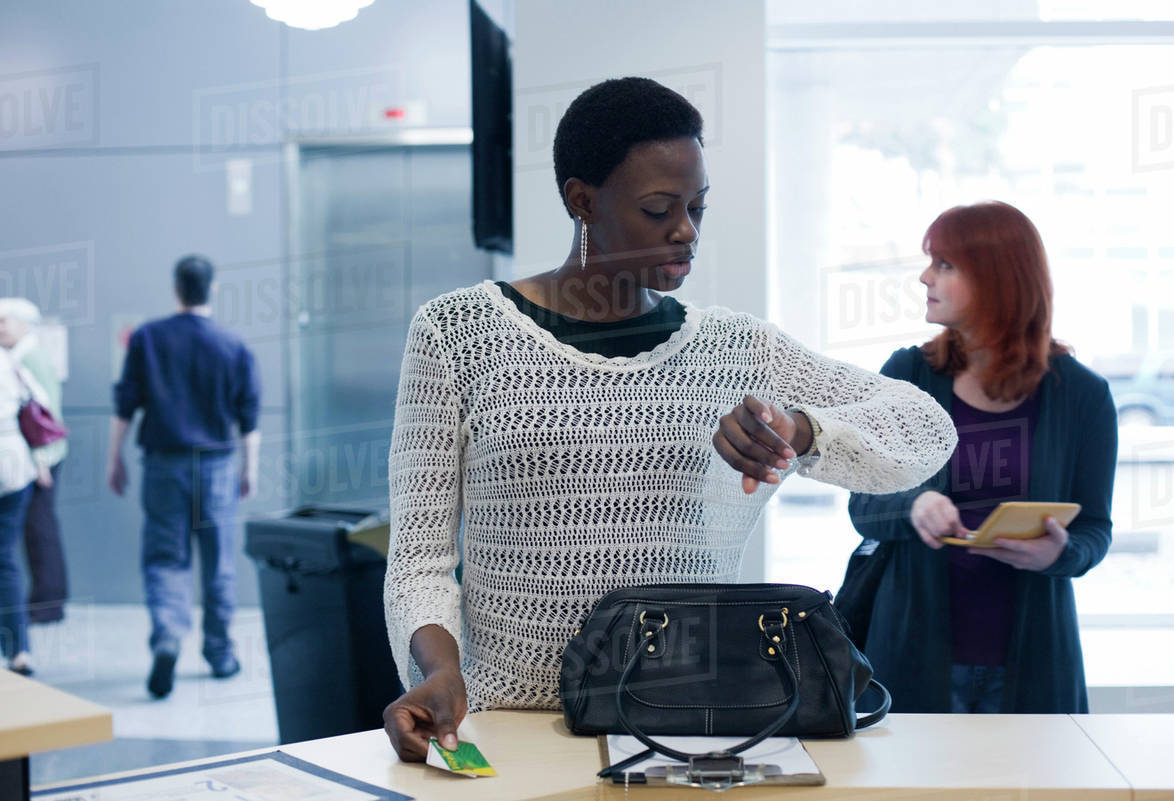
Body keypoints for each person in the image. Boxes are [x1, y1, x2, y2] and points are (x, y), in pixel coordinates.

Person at [381, 77, 958, 762]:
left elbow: (926, 427)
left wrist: (801, 431)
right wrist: (438, 669)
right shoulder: (458, 333)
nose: (685, 231)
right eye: (658, 209)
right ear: (581, 200)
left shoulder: (737, 347)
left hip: (680, 727)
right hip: (512, 725)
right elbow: (418, 555)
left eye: (697, 207)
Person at [846, 201, 1117, 714]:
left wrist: (1057, 554)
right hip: (911, 656)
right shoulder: (907, 375)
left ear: (999, 280)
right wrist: (914, 504)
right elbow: (862, 506)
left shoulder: (1082, 395)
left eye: (944, 265)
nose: (925, 277)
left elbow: (1095, 531)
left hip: (1034, 664)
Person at [107, 255, 261, 699]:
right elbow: (248, 418)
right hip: (215, 466)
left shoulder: (147, 338)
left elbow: (124, 405)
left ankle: (168, 637)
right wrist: (248, 469)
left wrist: (113, 458)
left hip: (163, 464)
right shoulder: (233, 346)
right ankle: (220, 654)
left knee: (164, 557)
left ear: (176, 288)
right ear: (211, 289)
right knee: (219, 562)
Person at [0, 299, 69, 629]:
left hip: (41, 460)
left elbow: (46, 414)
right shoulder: (18, 356)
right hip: (31, 460)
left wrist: (41, 462)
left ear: (24, 324)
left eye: (4, 321)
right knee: (33, 530)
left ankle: (48, 603)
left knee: (40, 530)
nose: (0, 328)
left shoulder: (31, 357)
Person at [0, 302, 39, 675]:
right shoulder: (7, 363)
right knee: (6, 560)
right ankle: (18, 651)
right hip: (14, 466)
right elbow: (35, 406)